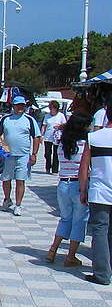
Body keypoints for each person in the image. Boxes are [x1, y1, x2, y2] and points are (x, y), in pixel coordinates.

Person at [46, 112, 90, 267]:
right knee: (79, 221)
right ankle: (71, 256)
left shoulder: (62, 143)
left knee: (65, 218)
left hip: (63, 184)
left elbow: (58, 131)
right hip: (78, 185)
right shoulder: (85, 145)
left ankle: (53, 250)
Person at [77, 107, 112, 285]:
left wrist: (83, 189)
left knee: (99, 230)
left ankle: (102, 273)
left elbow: (84, 166)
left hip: (100, 192)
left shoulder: (94, 137)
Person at [0, 96, 41, 216]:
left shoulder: (29, 120)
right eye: (18, 105)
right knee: (6, 179)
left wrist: (34, 154)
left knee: (20, 180)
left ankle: (18, 205)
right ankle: (7, 199)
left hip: (23, 155)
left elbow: (36, 137)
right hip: (8, 155)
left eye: (22, 105)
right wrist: (2, 150)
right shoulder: (5, 119)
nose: (20, 107)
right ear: (13, 106)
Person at [41, 100, 67, 175]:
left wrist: (59, 127)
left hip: (57, 137)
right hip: (48, 136)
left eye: (52, 108)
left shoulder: (61, 115)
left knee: (56, 153)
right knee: (47, 153)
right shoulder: (47, 116)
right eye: (50, 108)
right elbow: (44, 126)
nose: (51, 110)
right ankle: (48, 167)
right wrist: (41, 135)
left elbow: (65, 125)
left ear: (56, 108)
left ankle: (55, 169)